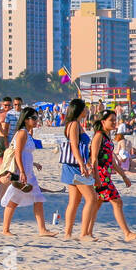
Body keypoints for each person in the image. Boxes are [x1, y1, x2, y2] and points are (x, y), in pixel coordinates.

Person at [85, 111, 136, 242]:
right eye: (111, 120)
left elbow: (110, 160)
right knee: (117, 202)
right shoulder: (98, 136)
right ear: (103, 122)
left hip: (105, 174)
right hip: (100, 174)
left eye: (115, 120)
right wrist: (97, 177)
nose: (114, 122)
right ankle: (127, 233)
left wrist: (123, 175)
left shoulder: (107, 137)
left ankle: (88, 232)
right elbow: (93, 158)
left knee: (97, 204)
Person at [1, 108, 56, 237]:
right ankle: (6, 229)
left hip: (28, 170)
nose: (37, 121)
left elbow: (26, 153)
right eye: (34, 118)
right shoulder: (22, 133)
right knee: (15, 199)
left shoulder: (27, 133)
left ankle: (42, 230)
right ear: (26, 119)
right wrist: (22, 172)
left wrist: (33, 164)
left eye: (37, 118)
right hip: (23, 171)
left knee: (35, 198)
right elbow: (18, 153)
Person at [59, 98, 98, 241]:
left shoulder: (74, 124)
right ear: (80, 110)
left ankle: (68, 233)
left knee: (74, 200)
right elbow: (74, 146)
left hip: (72, 166)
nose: (87, 110)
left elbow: (80, 148)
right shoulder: (74, 124)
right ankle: (84, 234)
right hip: (75, 166)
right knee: (91, 198)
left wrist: (85, 162)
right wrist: (82, 164)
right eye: (85, 108)